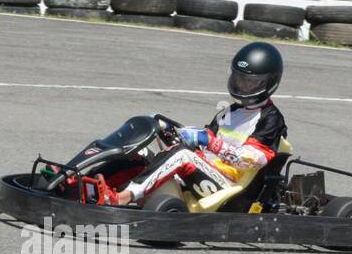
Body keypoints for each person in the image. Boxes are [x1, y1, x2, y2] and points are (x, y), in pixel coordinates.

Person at [110, 41, 287, 206]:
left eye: (250, 82)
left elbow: (251, 161)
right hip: (208, 171)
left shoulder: (270, 119)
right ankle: (98, 182)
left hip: (230, 186)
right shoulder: (230, 111)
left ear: (270, 82)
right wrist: (175, 132)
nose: (242, 86)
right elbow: (206, 139)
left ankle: (125, 197)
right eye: (239, 79)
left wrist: (207, 141)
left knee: (182, 156)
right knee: (141, 151)